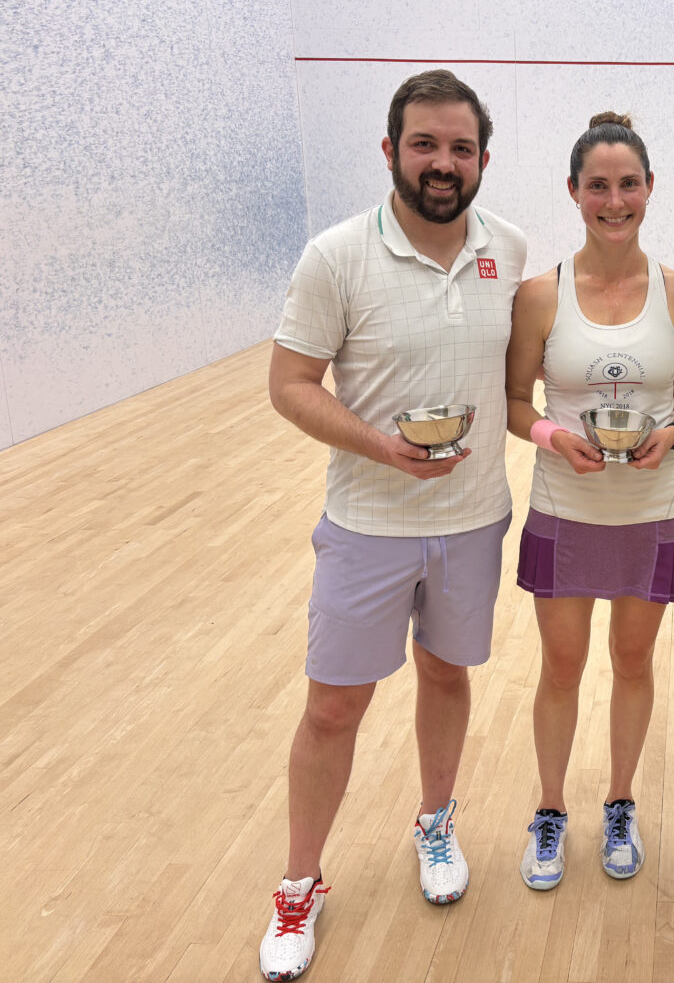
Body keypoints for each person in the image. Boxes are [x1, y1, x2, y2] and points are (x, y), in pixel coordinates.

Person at [259, 70, 527, 982]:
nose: (443, 163)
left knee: (447, 674)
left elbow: (521, 387)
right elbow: (288, 386)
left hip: (475, 516)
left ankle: (435, 823)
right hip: (368, 522)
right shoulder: (335, 256)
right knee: (334, 705)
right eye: (425, 144)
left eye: (460, 147)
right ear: (390, 152)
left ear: (483, 159)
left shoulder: (511, 250)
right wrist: (380, 446)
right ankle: (300, 884)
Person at [505, 112, 674, 891]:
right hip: (565, 507)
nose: (614, 200)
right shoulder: (540, 296)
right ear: (574, 193)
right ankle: (550, 810)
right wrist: (553, 437)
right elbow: (513, 400)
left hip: (653, 509)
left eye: (629, 185)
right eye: (599, 186)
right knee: (561, 666)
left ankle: (620, 802)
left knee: (632, 660)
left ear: (650, 190)